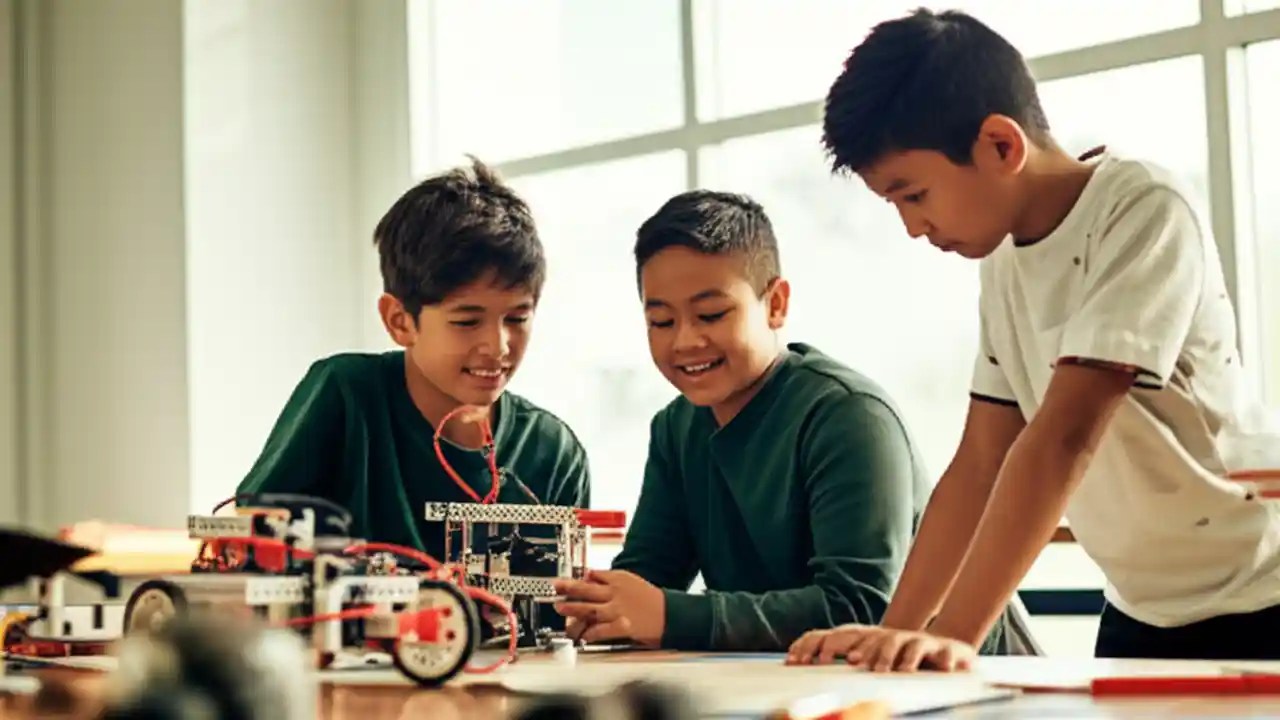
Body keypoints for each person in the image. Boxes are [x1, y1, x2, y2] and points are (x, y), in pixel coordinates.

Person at [788, 8, 1280, 670]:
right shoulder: (1003, 259)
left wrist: (953, 636)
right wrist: (896, 631)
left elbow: (1063, 437)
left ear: (1000, 145)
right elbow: (981, 461)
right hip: (1142, 610)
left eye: (914, 195)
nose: (912, 227)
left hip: (1260, 595)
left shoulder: (1143, 207)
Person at [552, 190, 1015, 653]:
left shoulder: (848, 416)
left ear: (775, 304)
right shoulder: (675, 428)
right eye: (660, 321)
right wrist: (596, 607)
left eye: (711, 314)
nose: (686, 340)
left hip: (950, 682)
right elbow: (648, 576)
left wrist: (670, 614)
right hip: (797, 681)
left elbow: (860, 608)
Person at [235, 157, 590, 561]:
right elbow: (251, 544)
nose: (498, 346)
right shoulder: (345, 395)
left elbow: (561, 611)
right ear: (400, 322)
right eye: (467, 321)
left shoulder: (553, 452)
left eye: (518, 318)